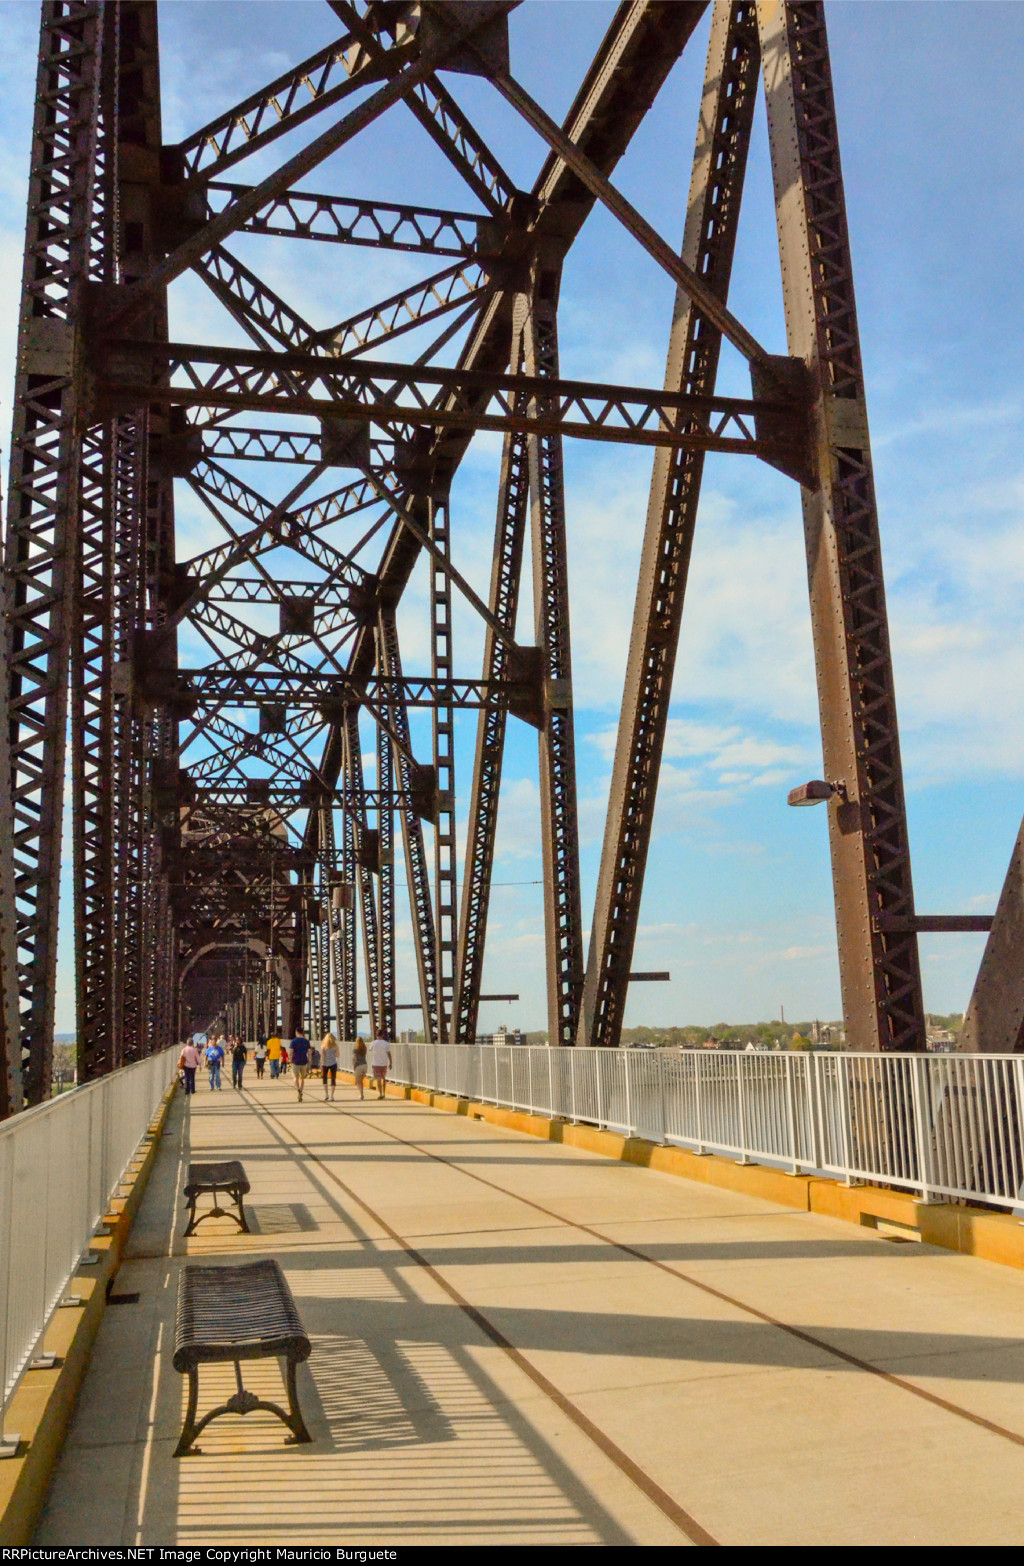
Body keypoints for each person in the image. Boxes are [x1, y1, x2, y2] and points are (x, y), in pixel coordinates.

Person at [367, 1033, 392, 1099]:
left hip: (375, 1063)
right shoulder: (386, 1043)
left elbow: (370, 1049)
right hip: (384, 1063)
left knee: (378, 1079)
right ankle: (384, 1092)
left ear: (376, 1035)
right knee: (383, 1078)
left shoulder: (373, 1043)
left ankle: (380, 1094)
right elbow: (389, 1053)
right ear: (382, 1035)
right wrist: (391, 1062)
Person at [289, 1028, 311, 1101]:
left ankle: (298, 1089)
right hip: (304, 1061)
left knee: (295, 1078)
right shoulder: (306, 1041)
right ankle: (301, 1091)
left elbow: (291, 1052)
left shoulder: (294, 1041)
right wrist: (310, 1062)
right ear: (303, 1033)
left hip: (296, 1061)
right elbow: (309, 1053)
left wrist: (290, 1060)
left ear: (296, 1032)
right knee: (302, 1078)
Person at [320, 1032, 339, 1101]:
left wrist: (321, 1064)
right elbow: (338, 1055)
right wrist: (333, 1055)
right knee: (333, 1079)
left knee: (325, 1079)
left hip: (325, 1064)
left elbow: (322, 1056)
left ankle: (326, 1094)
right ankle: (332, 1095)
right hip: (333, 1063)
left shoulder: (323, 1046)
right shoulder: (335, 1046)